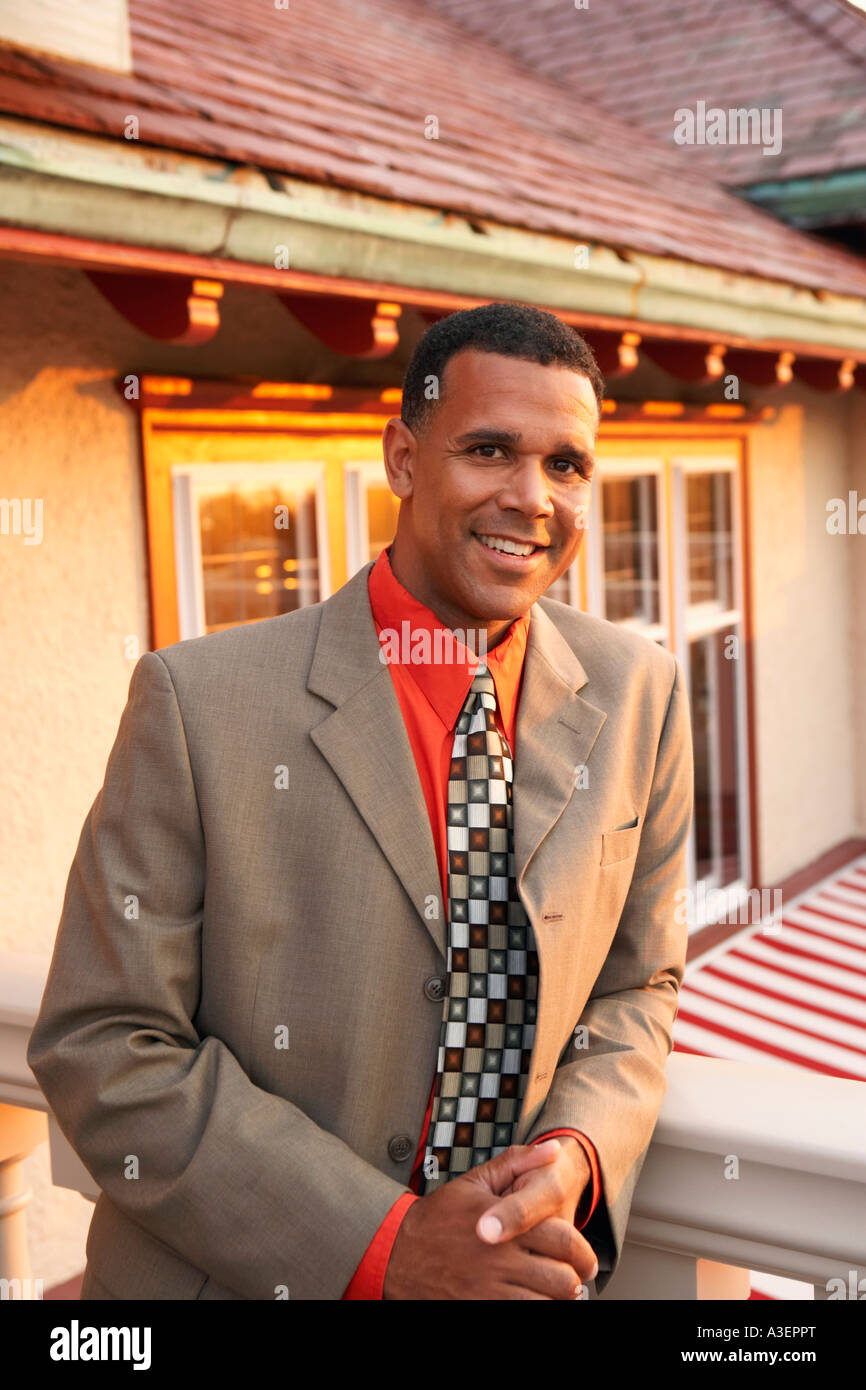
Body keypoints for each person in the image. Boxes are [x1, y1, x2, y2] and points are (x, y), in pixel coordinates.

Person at [28, 301, 693, 1300]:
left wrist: (576, 1148)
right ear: (402, 457)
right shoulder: (195, 701)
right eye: (488, 450)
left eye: (565, 465)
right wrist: (383, 1245)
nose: (531, 497)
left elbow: (637, 987)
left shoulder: (641, 690)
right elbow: (104, 1044)